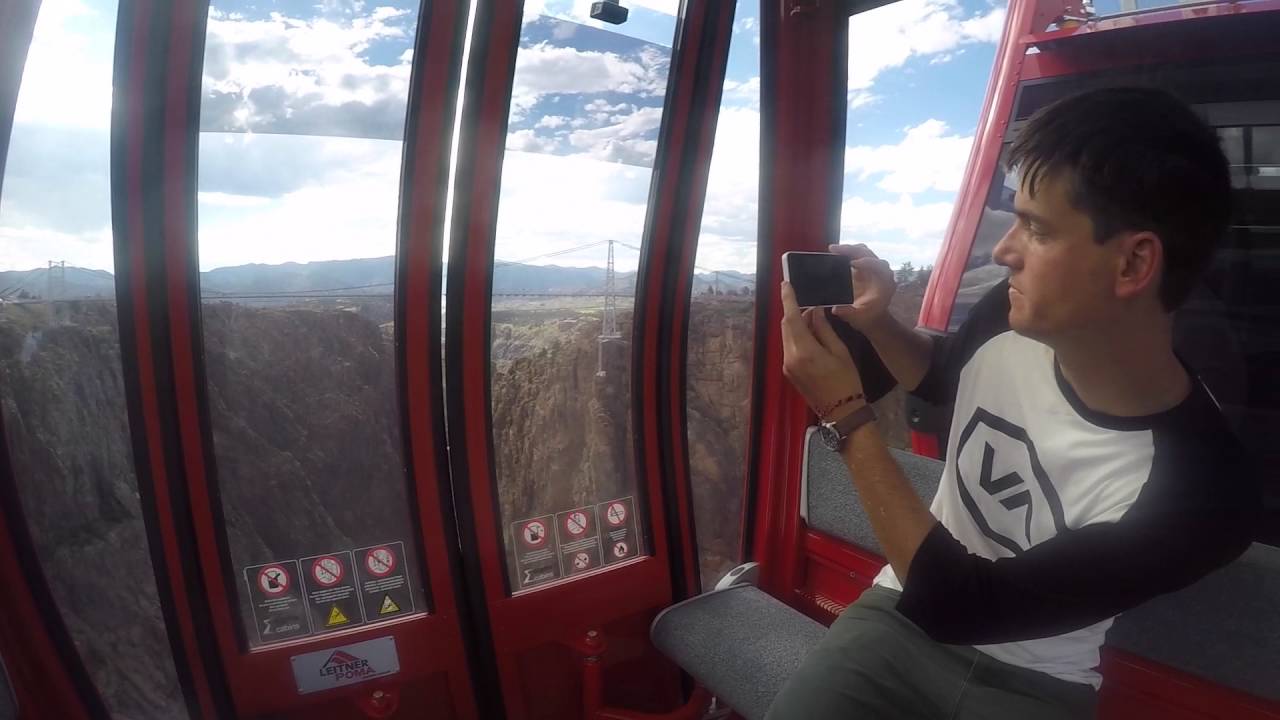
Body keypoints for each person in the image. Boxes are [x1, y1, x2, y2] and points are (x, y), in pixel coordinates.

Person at [768, 87, 1260, 719]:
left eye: (1036, 228)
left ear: (1133, 262)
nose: (1004, 251)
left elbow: (964, 606)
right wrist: (880, 325)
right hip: (897, 618)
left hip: (1035, 681)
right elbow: (948, 377)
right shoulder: (1009, 313)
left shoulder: (1207, 492)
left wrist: (846, 414)